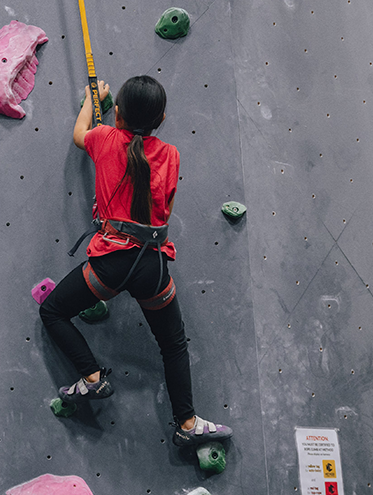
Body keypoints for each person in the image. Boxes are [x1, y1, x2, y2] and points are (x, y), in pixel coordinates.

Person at [39, 75, 231, 446]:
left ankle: (92, 378)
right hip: (151, 265)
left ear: (119, 116)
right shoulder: (171, 155)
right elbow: (165, 214)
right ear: (162, 118)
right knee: (173, 344)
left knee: (53, 312)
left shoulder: (104, 138)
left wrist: (93, 100)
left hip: (111, 259)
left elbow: (81, 133)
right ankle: (187, 424)